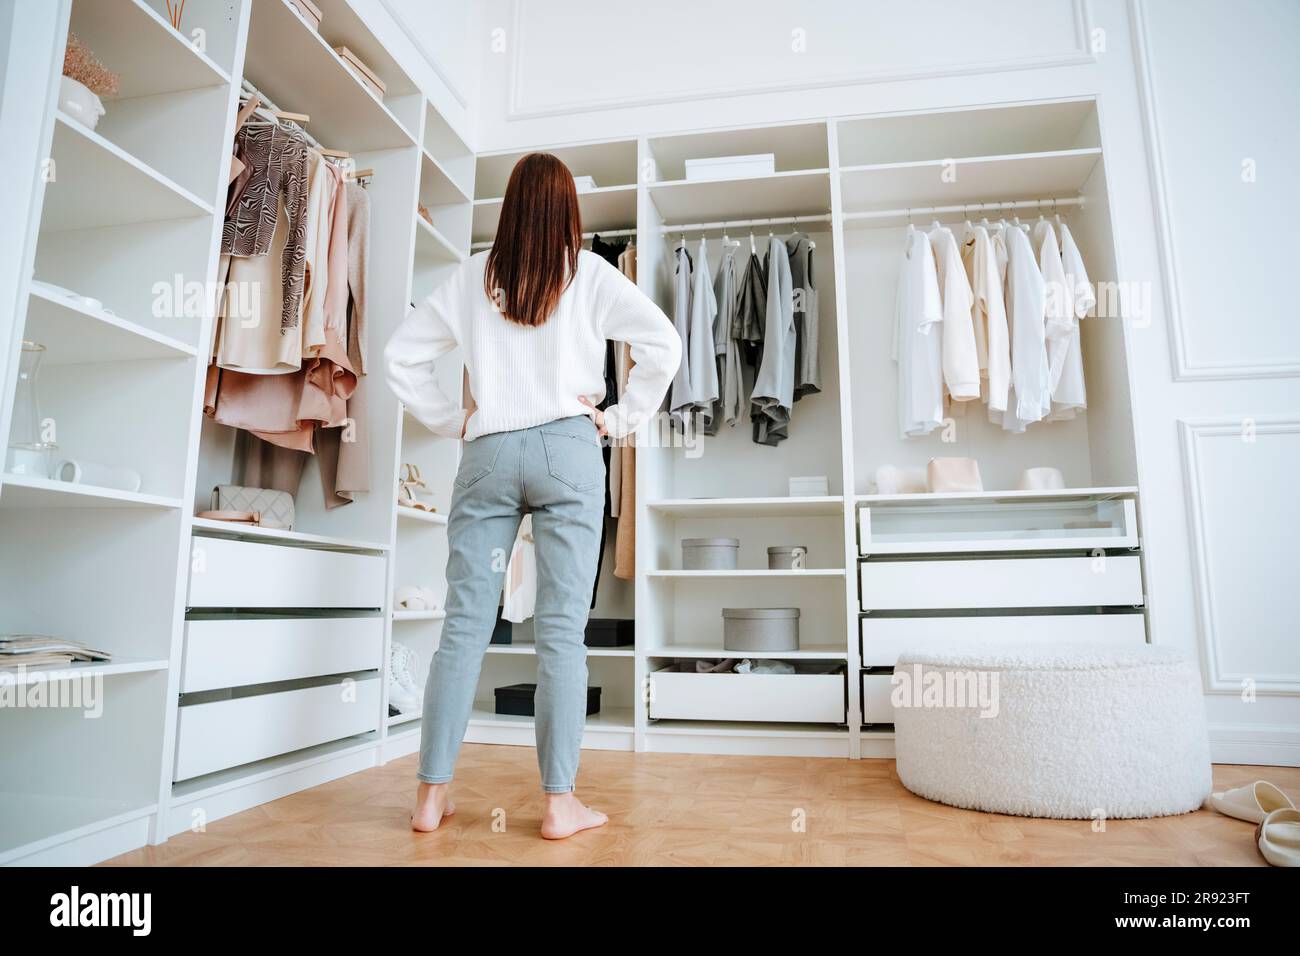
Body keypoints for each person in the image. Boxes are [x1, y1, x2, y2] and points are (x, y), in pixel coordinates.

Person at [384, 153, 680, 839]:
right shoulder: (590, 274)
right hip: (568, 451)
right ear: (568, 210)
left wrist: (450, 420)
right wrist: (621, 417)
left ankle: (430, 795)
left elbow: (402, 355)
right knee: (560, 632)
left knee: (464, 624)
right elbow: (663, 342)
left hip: (487, 452)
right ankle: (558, 805)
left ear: (510, 207)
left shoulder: (473, 275)